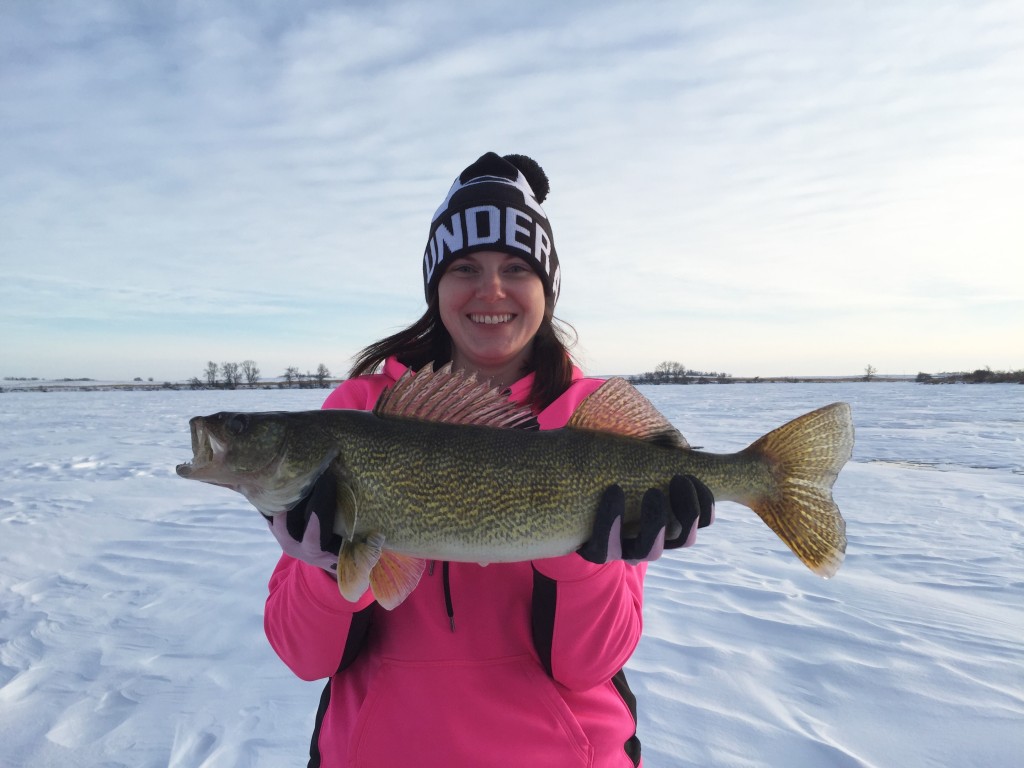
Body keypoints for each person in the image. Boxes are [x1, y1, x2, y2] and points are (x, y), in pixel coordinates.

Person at [264, 152, 715, 767]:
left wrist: (587, 566)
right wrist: (323, 572)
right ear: (435, 285)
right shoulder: (360, 414)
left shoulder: (588, 424)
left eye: (516, 268)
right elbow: (304, 656)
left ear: (546, 288)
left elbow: (590, 666)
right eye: (465, 267)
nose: (491, 290)